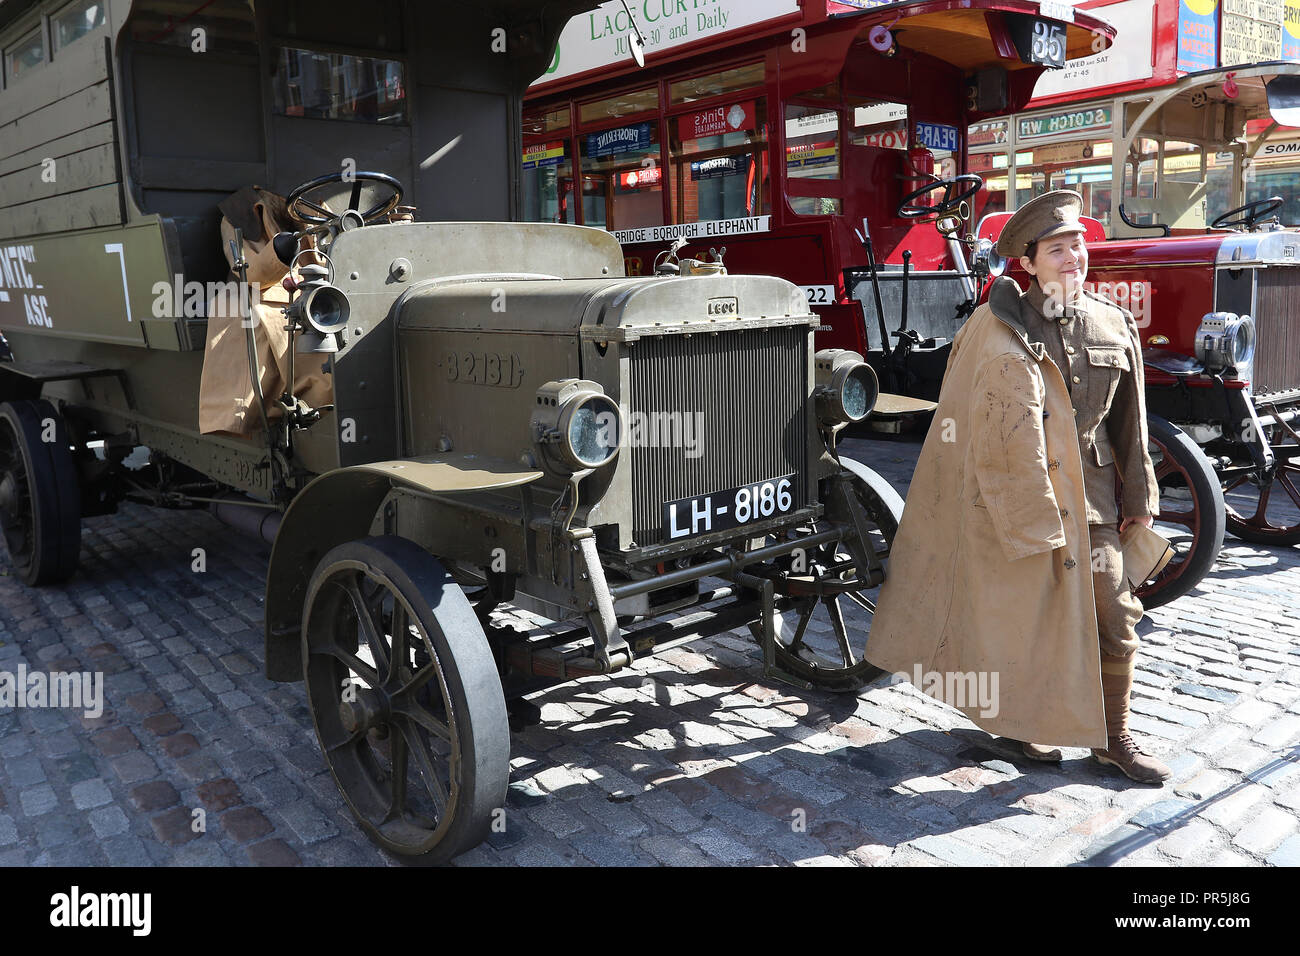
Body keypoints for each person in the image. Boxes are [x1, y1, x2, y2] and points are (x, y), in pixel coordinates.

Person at [865, 190, 1171, 784]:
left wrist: (1139, 500)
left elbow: (1131, 423)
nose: (1073, 258)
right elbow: (965, 423)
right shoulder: (994, 325)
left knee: (1114, 616)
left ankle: (1115, 738)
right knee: (1026, 621)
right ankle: (1024, 728)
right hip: (1018, 501)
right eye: (1058, 250)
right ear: (1027, 262)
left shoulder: (1113, 321)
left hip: (1093, 500)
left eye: (1078, 245)